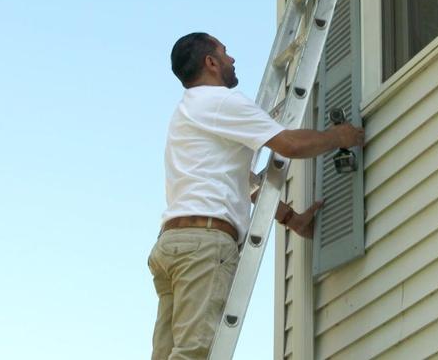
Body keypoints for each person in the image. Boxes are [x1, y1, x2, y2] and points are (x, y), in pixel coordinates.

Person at [149, 32, 365, 360]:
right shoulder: (219, 101)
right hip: (203, 246)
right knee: (195, 354)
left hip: (173, 246)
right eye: (225, 52)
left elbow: (244, 183)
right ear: (210, 62)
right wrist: (337, 136)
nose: (232, 59)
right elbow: (290, 144)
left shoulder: (187, 111)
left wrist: (291, 219)